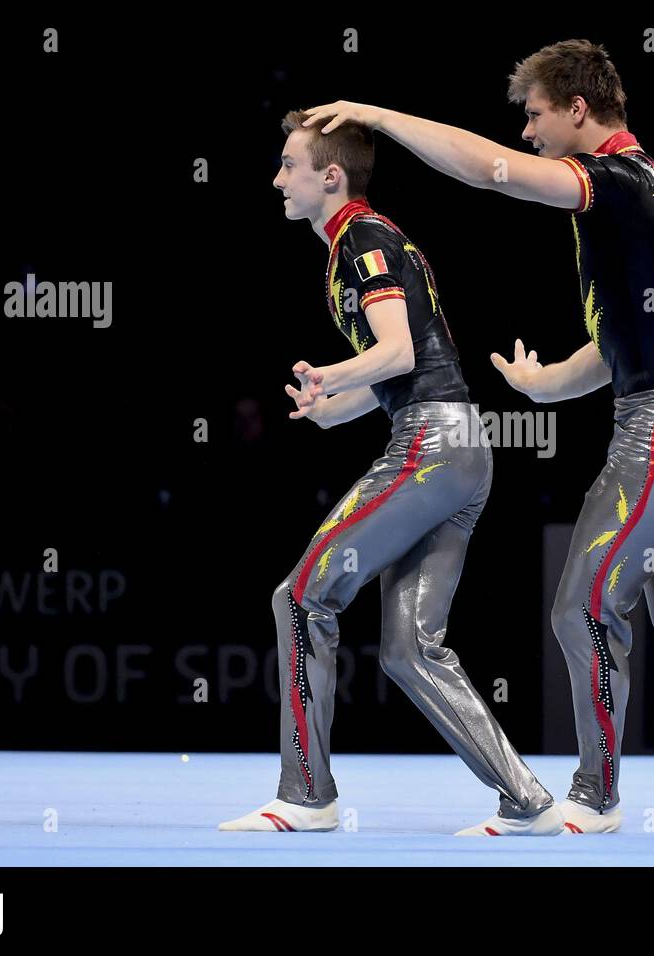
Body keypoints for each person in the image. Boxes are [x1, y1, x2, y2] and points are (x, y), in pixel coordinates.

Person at [303, 39, 654, 836]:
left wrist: (381, 115)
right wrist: (544, 383)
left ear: (577, 110)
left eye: (535, 114)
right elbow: (623, 345)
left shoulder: (616, 183)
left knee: (582, 604)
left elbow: (491, 172)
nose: (526, 132)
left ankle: (595, 796)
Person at [218, 110, 562, 836]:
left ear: (330, 176)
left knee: (302, 598)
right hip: (460, 448)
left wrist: (329, 369)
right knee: (410, 648)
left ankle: (307, 795)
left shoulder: (362, 242)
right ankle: (526, 798)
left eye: (289, 165)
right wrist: (330, 407)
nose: (278, 179)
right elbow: (400, 372)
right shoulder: (367, 240)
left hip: (431, 449)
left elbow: (399, 352)